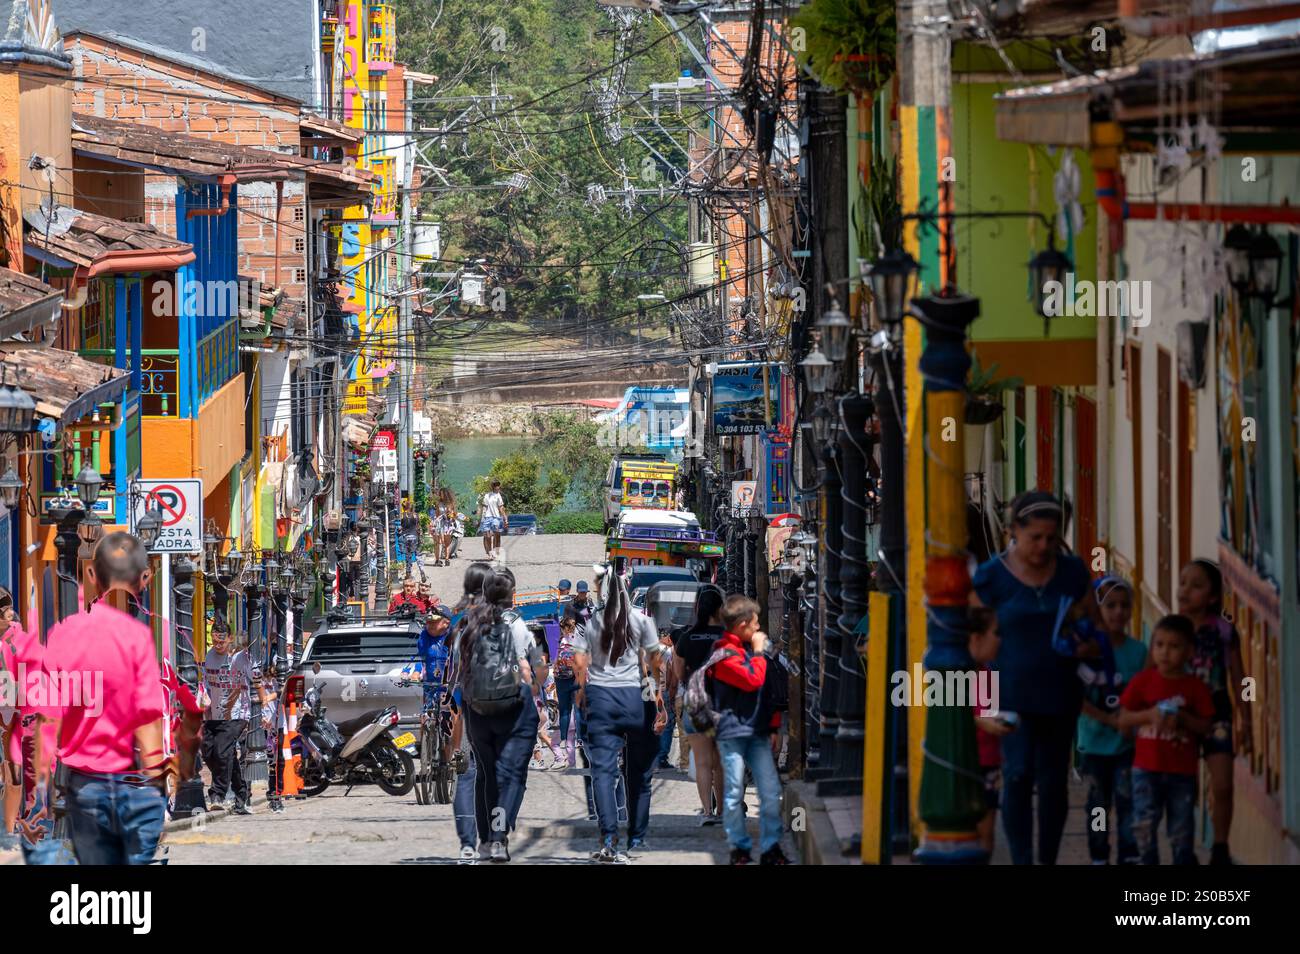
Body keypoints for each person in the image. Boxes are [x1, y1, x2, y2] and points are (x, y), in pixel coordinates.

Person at [33, 532, 168, 865]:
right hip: (131, 782)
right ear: (144, 577)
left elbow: (48, 721)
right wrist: (159, 787)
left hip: (83, 783)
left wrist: (40, 795)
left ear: (92, 576)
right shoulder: (137, 637)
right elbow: (147, 721)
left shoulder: (62, 635)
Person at [971, 490, 1089, 865]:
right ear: (1013, 532)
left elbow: (1091, 626)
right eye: (1034, 537)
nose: (1043, 546)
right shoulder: (991, 579)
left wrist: (1085, 642)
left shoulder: (1072, 573)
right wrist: (982, 707)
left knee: (1054, 782)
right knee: (1018, 775)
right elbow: (973, 649)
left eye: (1051, 538)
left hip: (1060, 694)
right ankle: (1023, 858)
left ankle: (1048, 859)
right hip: (1010, 696)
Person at [573, 568, 665, 863]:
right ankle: (637, 839)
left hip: (601, 698)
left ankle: (609, 840)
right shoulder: (643, 621)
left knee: (603, 772)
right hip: (634, 698)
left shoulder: (593, 623)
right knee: (639, 773)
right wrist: (659, 700)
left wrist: (581, 688)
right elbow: (655, 663)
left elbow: (578, 660)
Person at [458, 569, 545, 863]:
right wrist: (534, 682)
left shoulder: (468, 624)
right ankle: (498, 838)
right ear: (512, 595)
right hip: (512, 707)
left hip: (477, 709)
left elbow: (460, 669)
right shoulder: (518, 626)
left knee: (486, 773)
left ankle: (485, 841)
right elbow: (537, 668)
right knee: (510, 775)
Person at [1119, 615, 1214, 865]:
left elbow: (1206, 726)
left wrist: (1183, 719)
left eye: (1174, 646)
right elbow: (1123, 719)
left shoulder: (1194, 687)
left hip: (1181, 772)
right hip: (1146, 770)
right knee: (1144, 825)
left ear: (1189, 651)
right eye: (1159, 645)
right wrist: (1148, 716)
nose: (1165, 652)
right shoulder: (1143, 682)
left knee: (1181, 829)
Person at [1178, 559, 1251, 866]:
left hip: (1217, 713)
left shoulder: (1223, 631)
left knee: (1222, 784)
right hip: (1181, 716)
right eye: (1183, 583)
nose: (1185, 590)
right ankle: (1184, 848)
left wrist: (1245, 717)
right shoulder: (1172, 630)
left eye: (1196, 586)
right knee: (1183, 787)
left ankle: (1220, 847)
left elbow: (1242, 678)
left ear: (1211, 596)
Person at [710, 595, 789, 866]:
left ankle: (771, 849)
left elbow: (770, 691)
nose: (758, 629)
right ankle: (740, 850)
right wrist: (758, 653)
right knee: (734, 792)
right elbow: (753, 680)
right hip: (732, 733)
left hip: (758, 732)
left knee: (769, 791)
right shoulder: (723, 653)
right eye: (754, 623)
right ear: (742, 624)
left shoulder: (752, 650)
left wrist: (775, 725)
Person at [1076, 576, 1147, 865]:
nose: (1118, 612)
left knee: (1128, 800)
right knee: (1097, 806)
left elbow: (1144, 694)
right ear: (1097, 610)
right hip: (1093, 745)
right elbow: (1076, 698)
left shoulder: (1139, 652)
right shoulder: (1086, 651)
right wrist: (1107, 717)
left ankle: (1128, 854)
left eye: (1124, 606)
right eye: (1110, 606)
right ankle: (1098, 854)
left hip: (1127, 745)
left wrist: (1131, 722)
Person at [449, 562, 494, 864]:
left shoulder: (461, 626)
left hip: (467, 707)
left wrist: (455, 712)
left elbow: (455, 673)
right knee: (492, 777)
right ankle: (490, 841)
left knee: (467, 776)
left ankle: (468, 845)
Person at [672, 584, 726, 823]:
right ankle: (723, 811)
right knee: (721, 763)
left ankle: (706, 812)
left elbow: (679, 672)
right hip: (724, 704)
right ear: (720, 608)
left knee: (703, 762)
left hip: (695, 702)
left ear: (697, 608)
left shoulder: (687, 637)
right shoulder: (728, 636)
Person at [200, 620, 256, 814]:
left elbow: (256, 678)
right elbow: (206, 682)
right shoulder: (209, 656)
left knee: (222, 752)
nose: (218, 645)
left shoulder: (239, 659)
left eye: (221, 641)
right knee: (209, 751)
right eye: (214, 640)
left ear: (230, 639)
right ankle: (242, 794)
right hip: (213, 714)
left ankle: (217, 795)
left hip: (236, 715)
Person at [968, 606, 1007, 857]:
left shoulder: (989, 673)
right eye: (997, 633)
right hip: (968, 763)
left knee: (987, 833)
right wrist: (985, 722)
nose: (1001, 640)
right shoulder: (956, 672)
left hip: (989, 762)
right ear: (977, 638)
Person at [551, 614, 583, 768]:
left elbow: (555, 661)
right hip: (574, 677)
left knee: (564, 709)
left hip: (561, 679)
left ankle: (564, 736)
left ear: (564, 628)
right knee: (577, 707)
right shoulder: (578, 640)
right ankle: (581, 736)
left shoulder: (562, 642)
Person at [478, 480, 508, 563]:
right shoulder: (487, 496)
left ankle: (496, 553)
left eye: (498, 485)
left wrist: (505, 518)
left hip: (496, 517)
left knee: (497, 535)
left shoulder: (498, 496)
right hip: (487, 517)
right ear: (493, 487)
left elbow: (501, 507)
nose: (498, 487)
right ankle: (490, 553)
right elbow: (484, 507)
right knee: (487, 536)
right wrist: (481, 519)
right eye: (496, 485)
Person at [399, 502, 423, 581]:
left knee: (408, 556)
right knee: (418, 555)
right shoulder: (416, 515)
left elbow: (399, 528)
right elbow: (418, 528)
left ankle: (408, 574)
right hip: (414, 537)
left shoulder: (402, 515)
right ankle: (422, 571)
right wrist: (420, 538)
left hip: (405, 537)